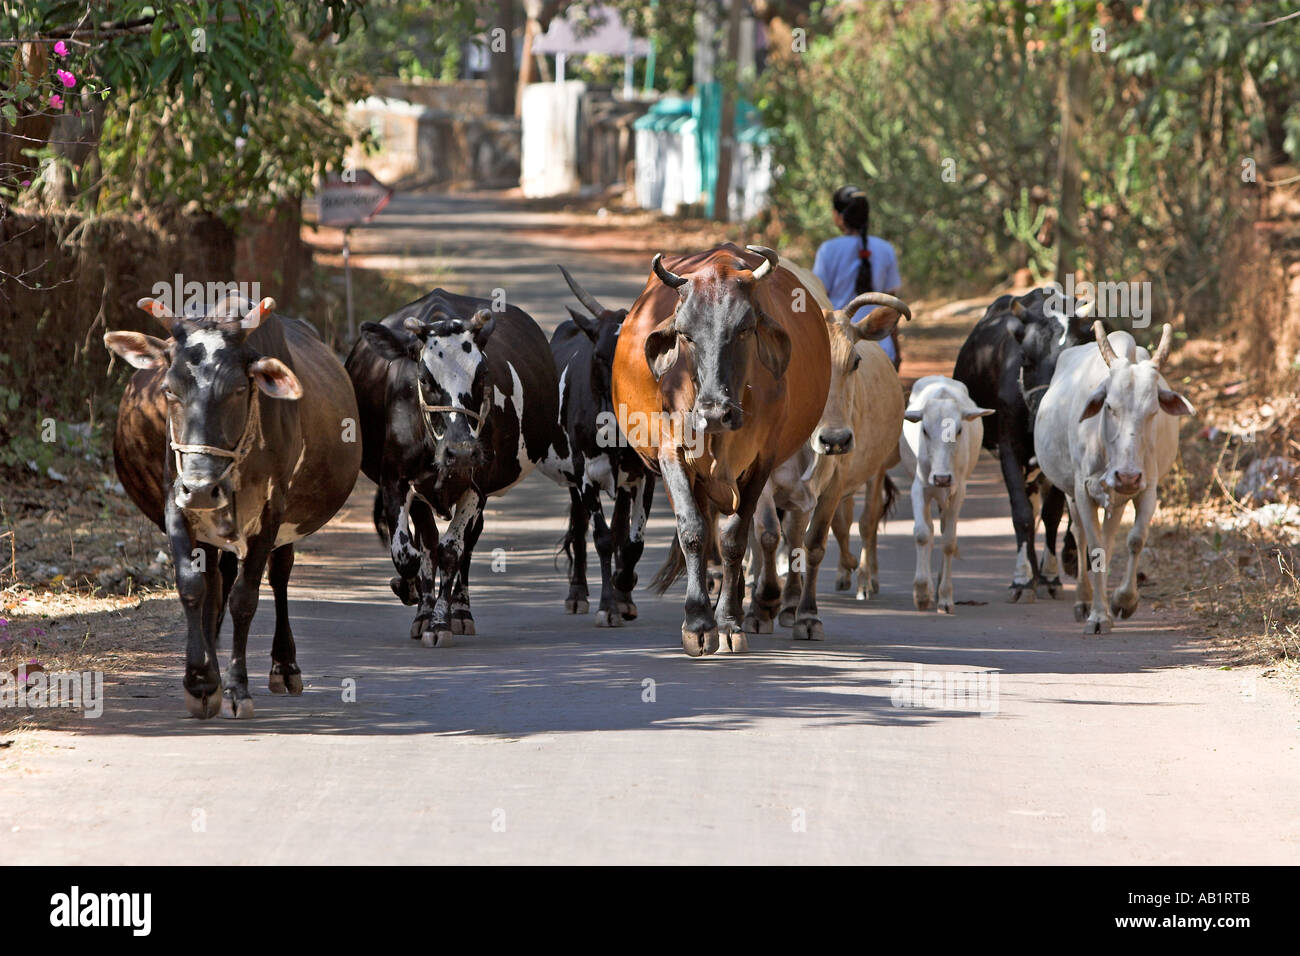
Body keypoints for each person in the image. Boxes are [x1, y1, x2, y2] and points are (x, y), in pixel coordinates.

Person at [813, 184, 903, 368]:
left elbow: (818, 301)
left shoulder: (828, 251)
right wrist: (896, 350)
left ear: (839, 217)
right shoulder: (885, 249)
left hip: (839, 349)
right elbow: (891, 305)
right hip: (881, 348)